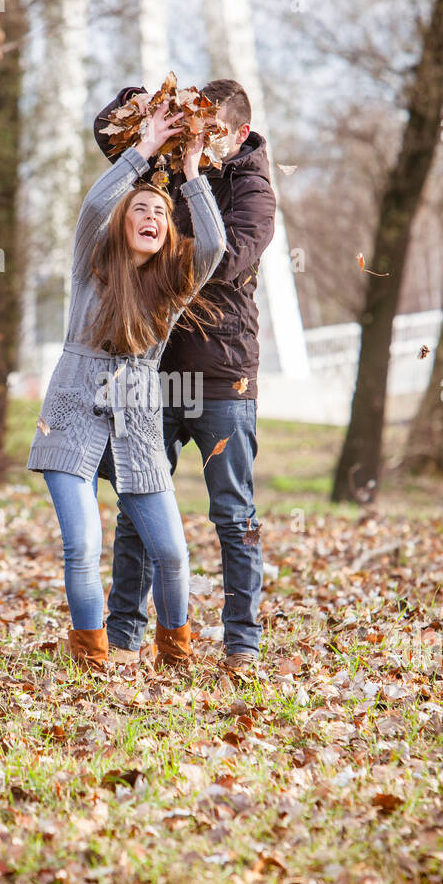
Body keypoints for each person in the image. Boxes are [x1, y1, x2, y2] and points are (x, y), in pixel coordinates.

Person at [27, 101, 226, 670]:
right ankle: (93, 657)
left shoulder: (169, 286)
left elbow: (212, 247)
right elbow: (95, 205)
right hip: (70, 405)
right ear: (125, 222)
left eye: (159, 216)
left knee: (172, 552)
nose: (150, 219)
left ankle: (176, 654)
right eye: (140, 210)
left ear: (166, 234)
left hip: (137, 411)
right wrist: (142, 151)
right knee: (83, 546)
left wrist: (191, 176)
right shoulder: (92, 266)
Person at [93, 79, 275, 670]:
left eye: (212, 131)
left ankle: (241, 644)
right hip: (156, 368)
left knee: (233, 512)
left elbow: (228, 260)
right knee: (138, 503)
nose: (199, 139)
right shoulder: (172, 159)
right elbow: (106, 132)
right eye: (195, 126)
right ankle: (123, 636)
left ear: (240, 134)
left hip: (224, 375)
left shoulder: (252, 186)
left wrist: (183, 198)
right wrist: (147, 105)